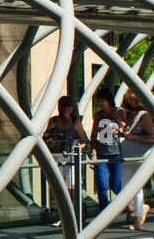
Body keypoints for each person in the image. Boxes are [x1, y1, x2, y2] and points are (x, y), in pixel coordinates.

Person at [43, 95, 87, 227]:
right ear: (60, 107)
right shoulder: (54, 120)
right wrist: (51, 129)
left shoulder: (75, 122)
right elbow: (45, 137)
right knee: (59, 187)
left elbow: (83, 139)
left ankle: (77, 212)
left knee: (71, 187)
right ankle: (66, 216)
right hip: (56, 156)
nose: (68, 109)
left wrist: (78, 148)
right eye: (65, 106)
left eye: (70, 106)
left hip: (70, 156)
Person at [119, 91, 154, 230]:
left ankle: (139, 217)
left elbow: (152, 137)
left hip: (140, 155)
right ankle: (140, 209)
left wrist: (133, 138)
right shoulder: (128, 116)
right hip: (128, 155)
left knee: (136, 186)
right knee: (124, 186)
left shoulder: (144, 116)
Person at [92, 90, 125, 216]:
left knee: (116, 185)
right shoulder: (98, 115)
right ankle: (104, 212)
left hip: (116, 153)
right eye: (99, 101)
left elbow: (125, 128)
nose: (100, 103)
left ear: (109, 101)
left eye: (102, 100)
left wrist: (116, 118)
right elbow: (94, 135)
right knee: (102, 184)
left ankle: (131, 206)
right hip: (102, 153)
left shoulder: (119, 112)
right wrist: (94, 152)